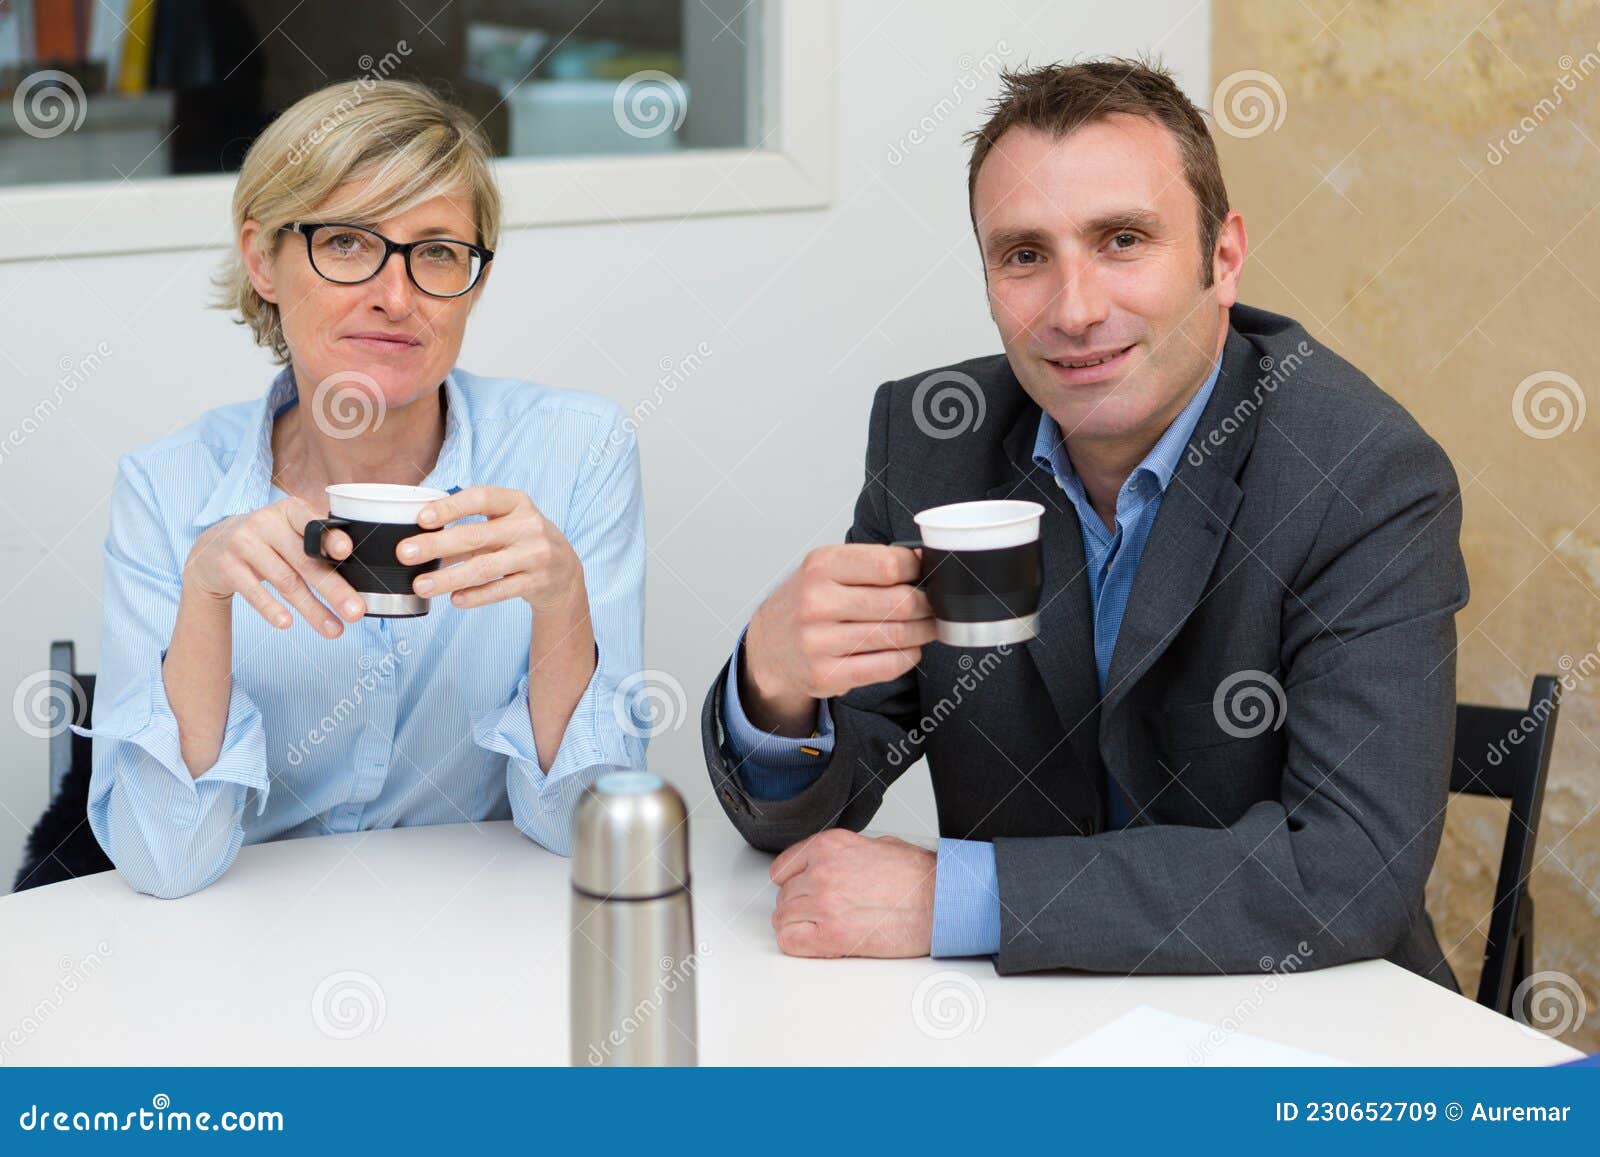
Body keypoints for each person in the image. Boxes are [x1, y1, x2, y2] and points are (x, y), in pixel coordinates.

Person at [700, 58, 1468, 988]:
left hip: (1311, 1020)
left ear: (1222, 259)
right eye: (1026, 255)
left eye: (1122, 240)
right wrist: (775, 687)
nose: (1074, 310)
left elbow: (1348, 870)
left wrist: (955, 897)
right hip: (1022, 1034)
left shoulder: (1359, 471)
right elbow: (805, 814)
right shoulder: (935, 443)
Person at [81, 80, 646, 899]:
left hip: (484, 947)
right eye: (347, 242)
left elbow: (585, 832)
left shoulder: (577, 452)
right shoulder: (168, 488)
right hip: (246, 955)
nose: (397, 295)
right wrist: (205, 595)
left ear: (476, 281)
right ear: (262, 260)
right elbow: (167, 862)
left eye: (438, 251)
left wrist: (563, 602)